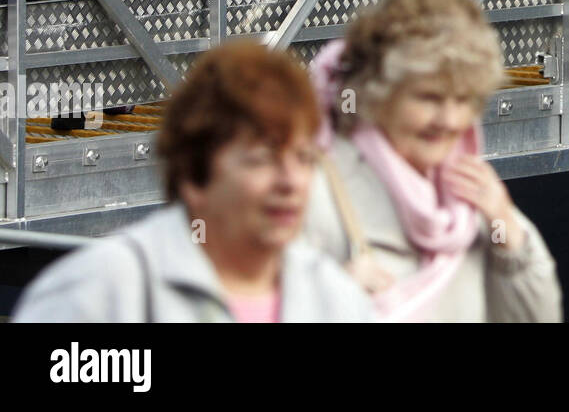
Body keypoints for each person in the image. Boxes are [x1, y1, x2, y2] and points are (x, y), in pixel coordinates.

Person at [12, 42, 373, 323]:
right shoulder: (93, 295)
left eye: (304, 158)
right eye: (261, 160)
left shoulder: (335, 296)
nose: (291, 181)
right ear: (194, 175)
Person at [303, 0, 563, 322]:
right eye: (429, 98)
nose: (450, 120)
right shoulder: (311, 193)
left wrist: (510, 241)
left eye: (464, 99)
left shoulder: (471, 190)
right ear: (378, 93)